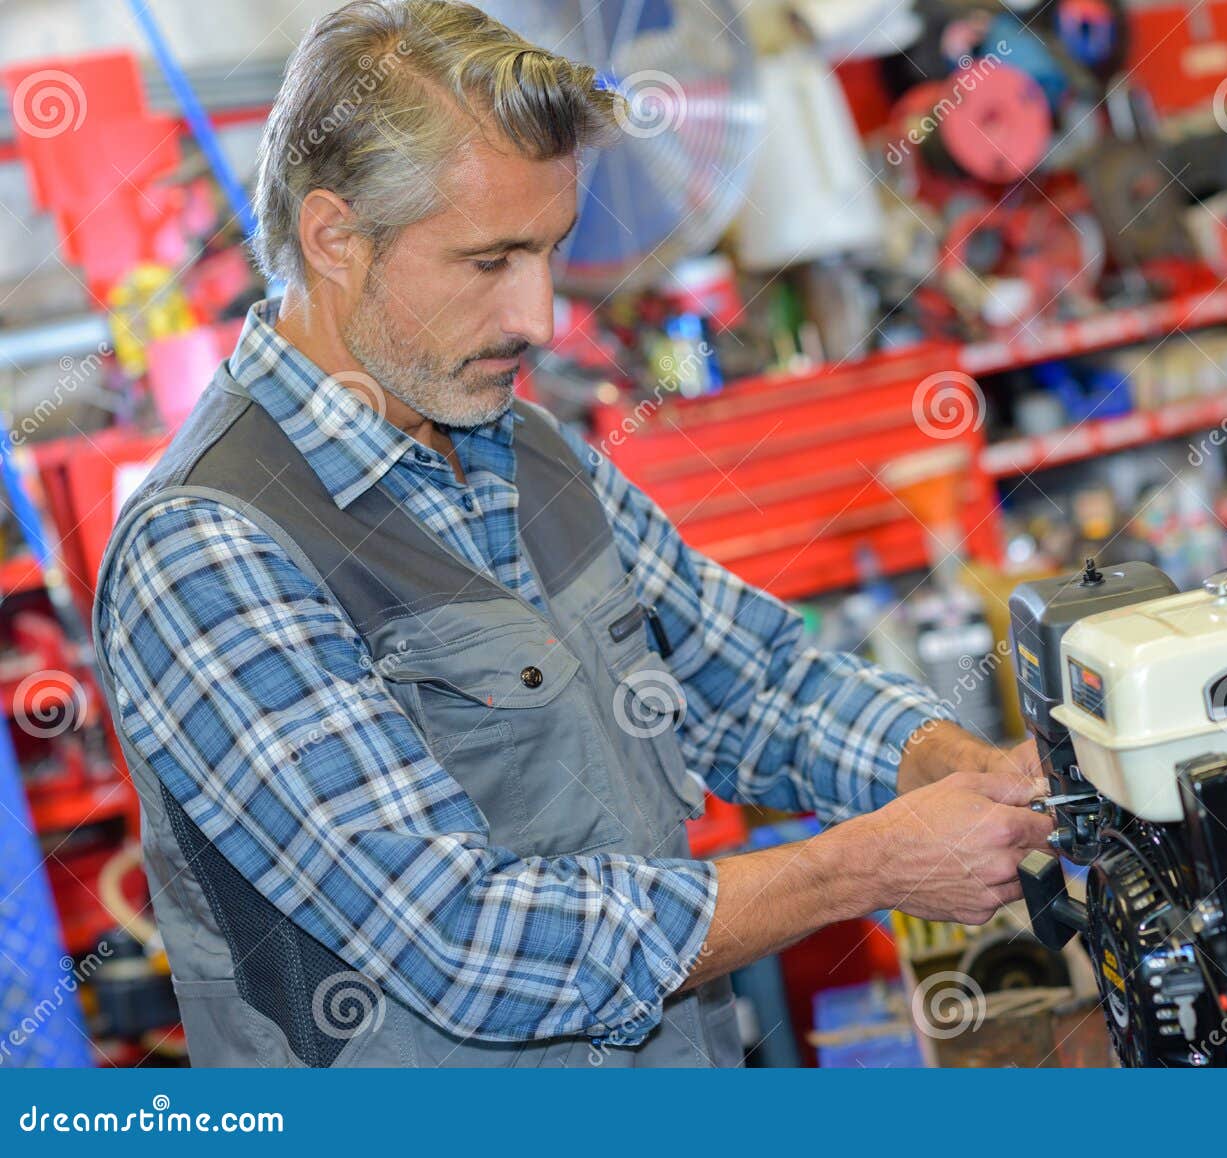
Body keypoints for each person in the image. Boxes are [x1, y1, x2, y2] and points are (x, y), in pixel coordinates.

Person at [92, 0, 1051, 1068]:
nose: (540, 317)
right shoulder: (211, 546)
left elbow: (750, 683)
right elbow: (463, 939)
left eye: (549, 250)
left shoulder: (524, 449)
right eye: (491, 260)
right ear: (334, 238)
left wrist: (955, 769)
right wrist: (858, 871)